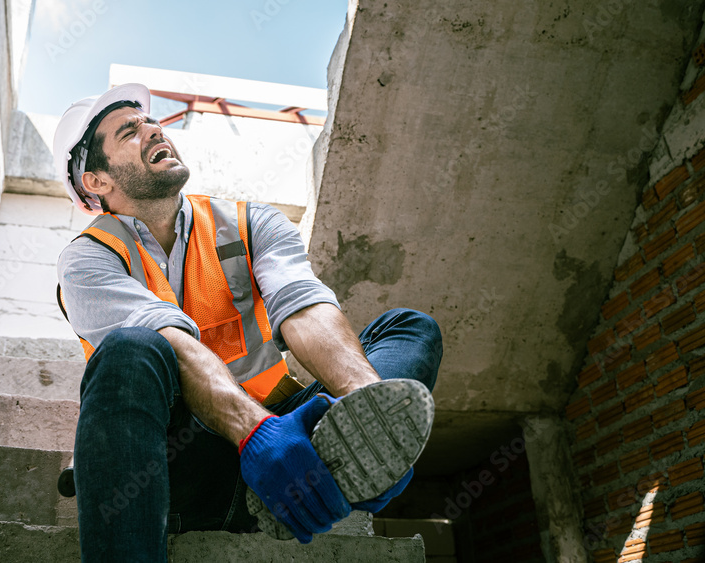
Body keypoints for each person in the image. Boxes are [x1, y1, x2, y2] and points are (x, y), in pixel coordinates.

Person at [53, 83, 442, 561]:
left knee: (409, 327)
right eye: (129, 131)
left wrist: (370, 404)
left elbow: (302, 306)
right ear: (96, 181)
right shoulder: (87, 260)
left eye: (149, 121)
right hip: (182, 468)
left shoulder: (248, 221)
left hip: (289, 438)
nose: (153, 128)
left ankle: (321, 472)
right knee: (133, 349)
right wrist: (255, 435)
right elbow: (168, 339)